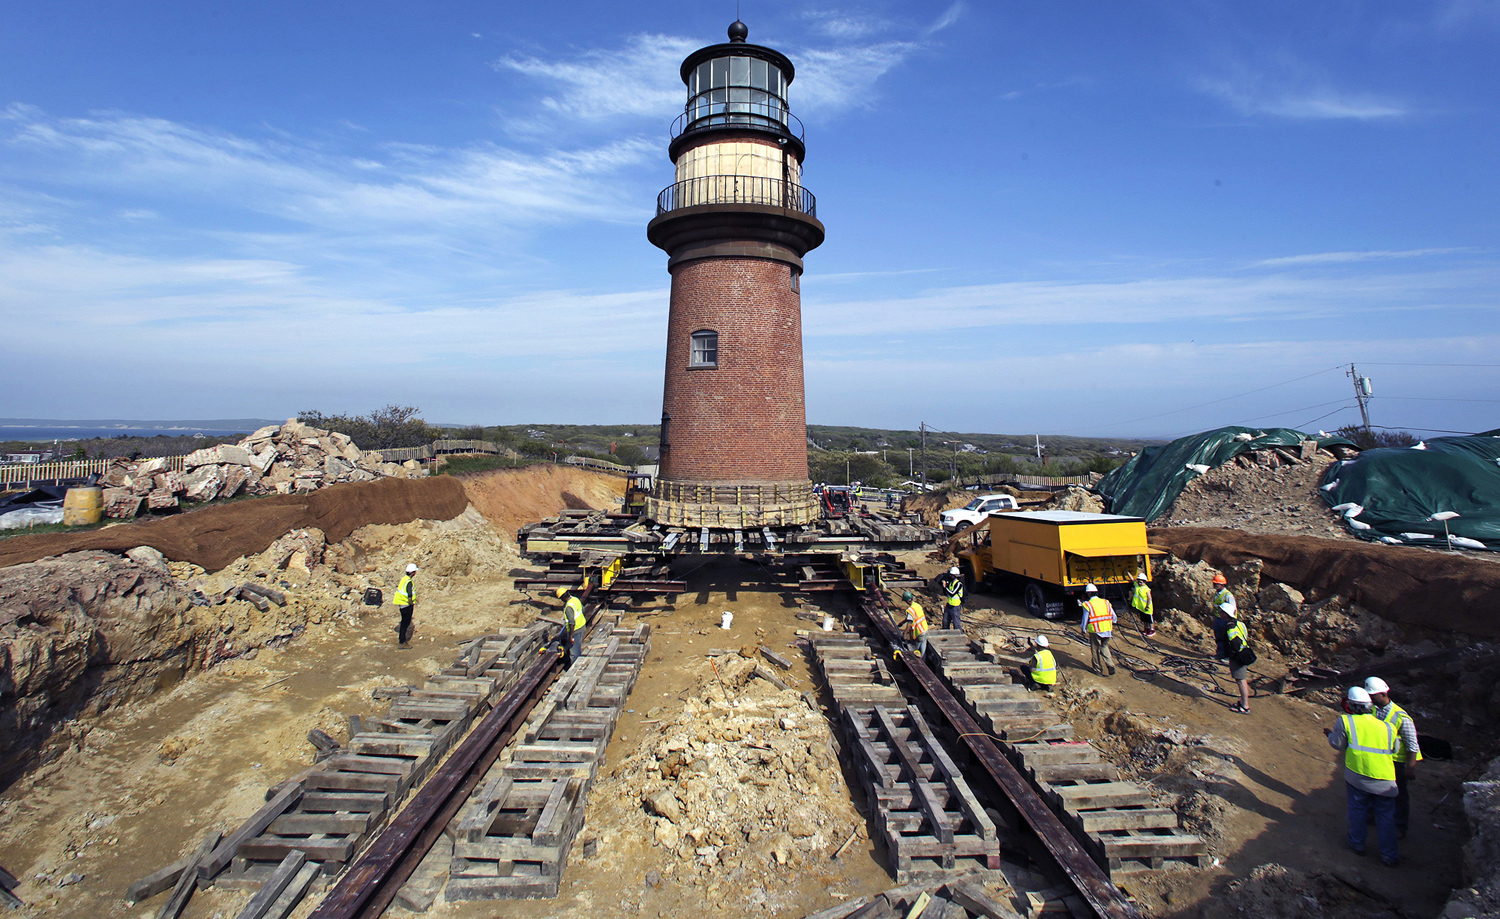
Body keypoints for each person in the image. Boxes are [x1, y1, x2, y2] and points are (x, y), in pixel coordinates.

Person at [1326, 685, 1401, 866]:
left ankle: (1357, 845)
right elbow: (1395, 749)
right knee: (1385, 818)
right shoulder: (1388, 727)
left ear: (1351, 705)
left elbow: (1337, 744)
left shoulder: (1346, 721)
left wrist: (1330, 735)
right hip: (1385, 779)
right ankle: (1389, 856)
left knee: (1357, 811)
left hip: (1357, 776)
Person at [1367, 677, 1421, 838]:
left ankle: (1400, 826)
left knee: (1398, 794)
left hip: (1396, 761)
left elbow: (1412, 745)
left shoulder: (1401, 717)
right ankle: (1372, 816)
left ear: (1383, 694)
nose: (1370, 698)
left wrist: (1410, 768)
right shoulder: (1373, 710)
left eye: (1373, 695)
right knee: (1374, 788)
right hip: (1379, 758)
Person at [1212, 599, 1254, 713]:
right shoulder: (1240, 623)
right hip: (1245, 653)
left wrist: (1231, 655)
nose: (1219, 613)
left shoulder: (1230, 628)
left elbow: (1234, 644)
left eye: (1221, 612)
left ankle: (1245, 706)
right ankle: (1243, 703)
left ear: (1225, 614)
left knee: (1241, 680)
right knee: (1241, 679)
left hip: (1238, 657)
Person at [1079, 584, 1116, 676]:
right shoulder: (1106, 602)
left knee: (1095, 650)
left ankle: (1097, 669)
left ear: (1088, 594)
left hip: (1095, 630)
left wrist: (1083, 629)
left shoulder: (1088, 604)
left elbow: (1085, 619)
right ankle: (1110, 664)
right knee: (1104, 646)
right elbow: (1114, 617)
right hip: (1107, 629)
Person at [557, 586, 587, 666]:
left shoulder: (568, 607)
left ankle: (575, 668)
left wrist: (570, 637)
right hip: (582, 626)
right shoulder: (575, 599)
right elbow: (583, 610)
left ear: (563, 598)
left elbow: (571, 623)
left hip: (575, 630)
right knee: (577, 647)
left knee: (574, 653)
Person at [898, 589, 929, 657]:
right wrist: (902, 622)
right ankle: (924, 663)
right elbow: (910, 618)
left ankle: (918, 665)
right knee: (923, 652)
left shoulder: (910, 610)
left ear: (907, 601)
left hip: (919, 632)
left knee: (915, 651)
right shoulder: (917, 605)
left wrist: (905, 634)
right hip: (925, 630)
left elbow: (909, 623)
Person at [393, 563, 417, 647]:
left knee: (404, 622)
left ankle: (402, 639)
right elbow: (409, 594)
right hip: (406, 605)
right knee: (405, 623)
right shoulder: (409, 582)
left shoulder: (404, 579)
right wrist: (411, 603)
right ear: (412, 572)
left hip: (401, 604)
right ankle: (402, 641)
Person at [1129, 571, 1155, 636]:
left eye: (1141, 581)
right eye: (1139, 581)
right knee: (1144, 619)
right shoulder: (1137, 586)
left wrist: (1147, 606)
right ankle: (1146, 629)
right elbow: (1132, 579)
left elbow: (1149, 598)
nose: (1139, 582)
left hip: (1147, 608)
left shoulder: (1146, 589)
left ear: (1144, 581)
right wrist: (1127, 572)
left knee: (1149, 619)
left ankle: (1152, 630)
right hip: (1141, 607)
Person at [940, 566, 964, 630]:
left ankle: (959, 636)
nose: (950, 576)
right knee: (945, 621)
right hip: (949, 605)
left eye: (951, 575)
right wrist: (944, 586)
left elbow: (952, 593)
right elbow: (946, 593)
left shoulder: (959, 584)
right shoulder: (951, 583)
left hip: (955, 607)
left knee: (956, 624)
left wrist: (945, 587)